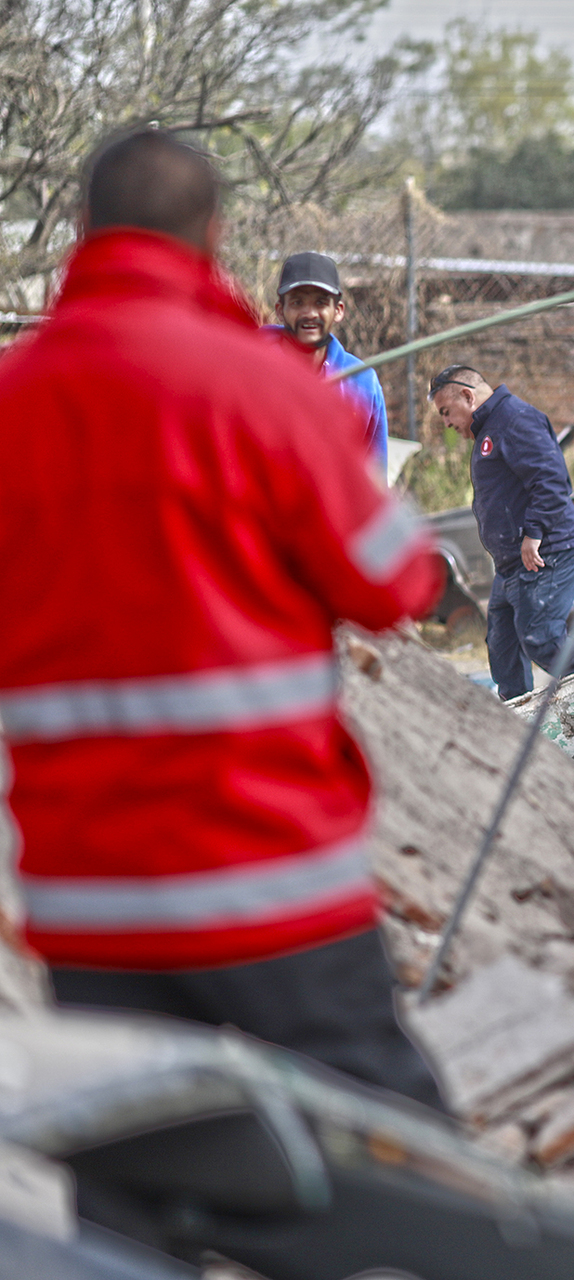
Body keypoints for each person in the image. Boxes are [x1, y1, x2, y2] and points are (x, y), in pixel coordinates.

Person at [0, 129, 446, 1108]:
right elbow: (395, 583)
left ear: (81, 232)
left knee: (129, 1190)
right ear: (213, 236)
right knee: (401, 1158)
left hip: (87, 901)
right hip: (269, 873)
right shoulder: (269, 392)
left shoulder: (13, 402)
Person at [428, 365, 574, 699]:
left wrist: (533, 533)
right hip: (512, 563)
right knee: (502, 644)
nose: (447, 423)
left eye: (446, 412)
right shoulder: (488, 429)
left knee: (541, 638)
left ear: (467, 396)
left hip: (546, 552)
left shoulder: (514, 419)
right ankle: (517, 713)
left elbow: (552, 481)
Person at [266, 250, 391, 480]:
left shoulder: (362, 382)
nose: (309, 313)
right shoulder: (249, 364)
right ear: (280, 311)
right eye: (297, 302)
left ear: (338, 311)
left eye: (321, 303)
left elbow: (373, 478)